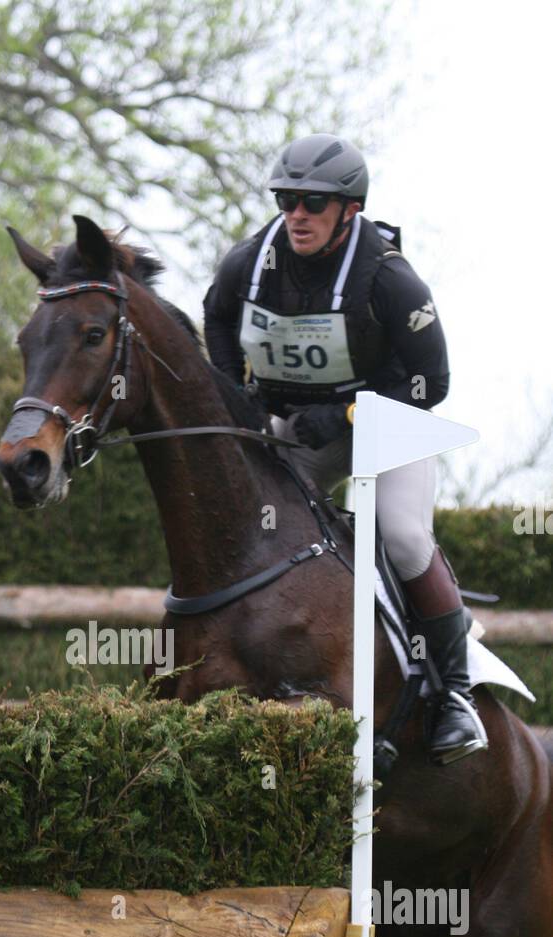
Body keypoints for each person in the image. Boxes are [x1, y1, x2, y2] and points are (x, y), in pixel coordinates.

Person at [202, 133, 486, 764]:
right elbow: (216, 318)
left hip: (390, 426)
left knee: (405, 537)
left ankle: (455, 697)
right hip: (304, 428)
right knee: (257, 522)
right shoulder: (250, 262)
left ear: (348, 210)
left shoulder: (389, 279)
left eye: (312, 203)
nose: (296, 215)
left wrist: (352, 410)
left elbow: (430, 382)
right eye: (286, 200)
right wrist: (236, 392)